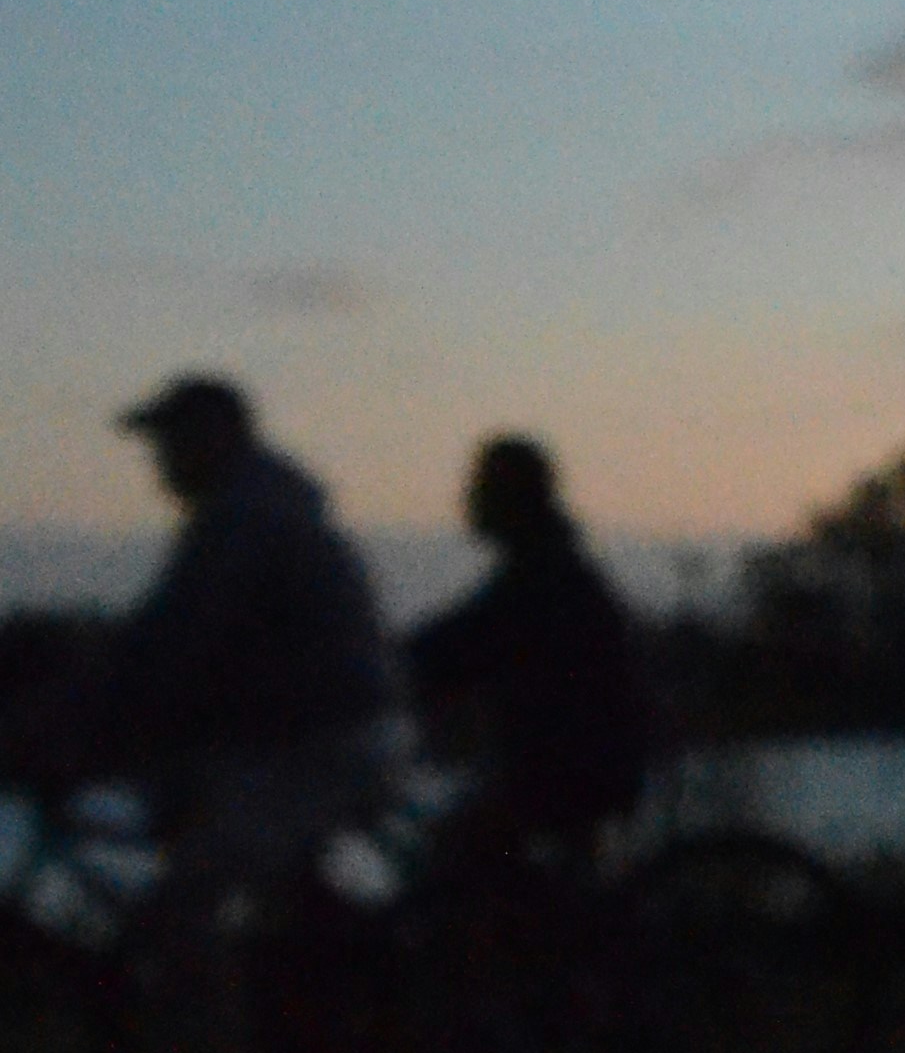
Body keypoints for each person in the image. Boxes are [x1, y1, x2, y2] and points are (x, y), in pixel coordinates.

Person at [14, 376, 399, 909]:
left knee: (183, 912)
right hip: (307, 742)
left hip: (309, 754)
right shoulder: (255, 510)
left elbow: (169, 649)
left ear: (215, 439)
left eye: (172, 442)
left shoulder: (246, 522)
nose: (162, 460)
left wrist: (55, 725)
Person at [403, 436, 653, 855]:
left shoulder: (540, 576)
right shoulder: (548, 564)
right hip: (579, 760)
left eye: (481, 488)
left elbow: (465, 639)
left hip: (570, 767)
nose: (468, 500)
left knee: (453, 849)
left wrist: (382, 664)